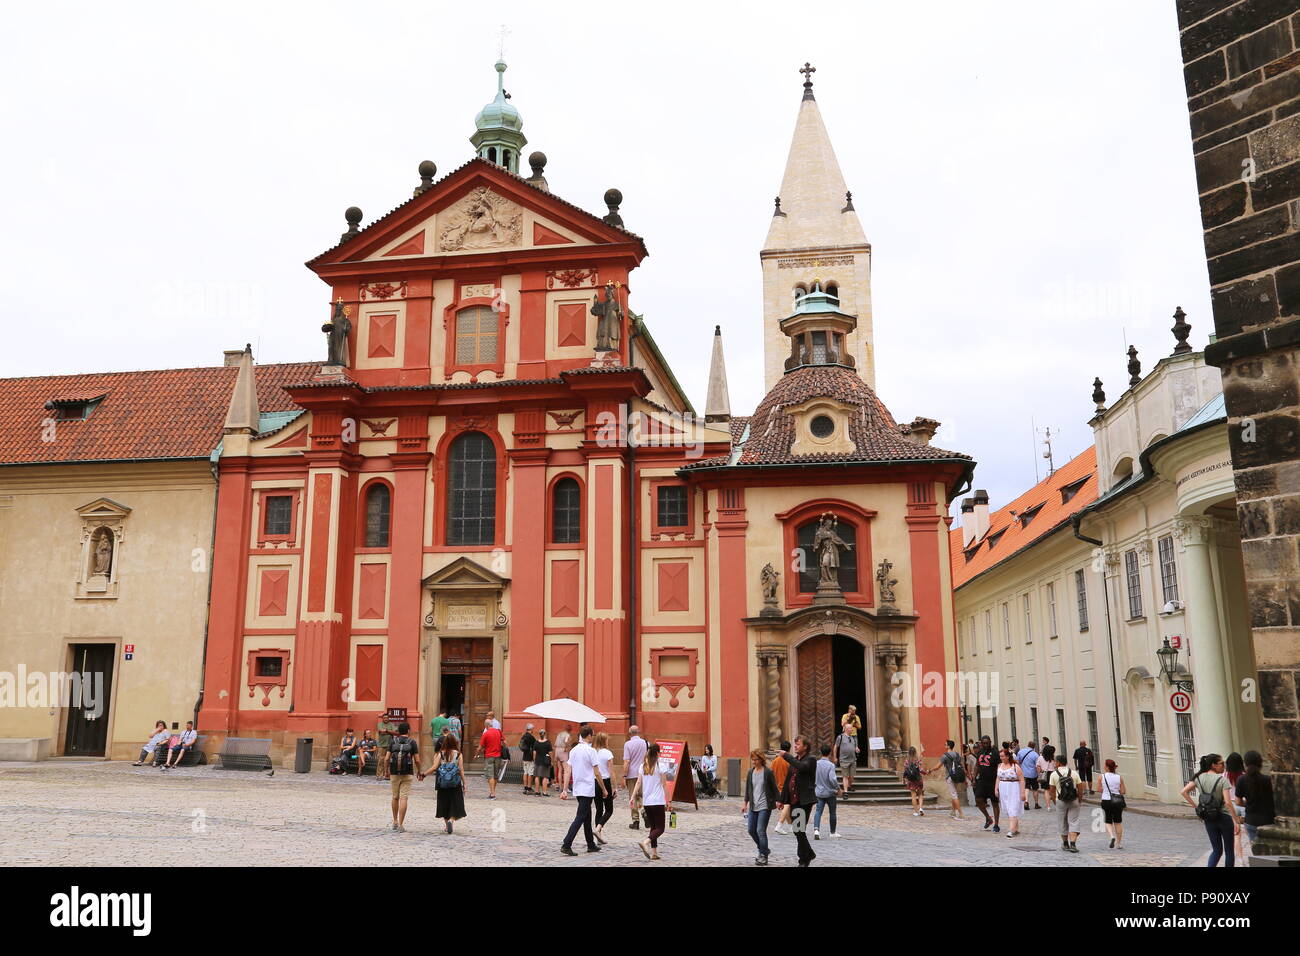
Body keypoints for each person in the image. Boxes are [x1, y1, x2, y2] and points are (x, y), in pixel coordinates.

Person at [1181, 753, 1241, 868]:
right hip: (1224, 817)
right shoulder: (1222, 780)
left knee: (1216, 850)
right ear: (1213, 765)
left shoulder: (1199, 778)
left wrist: (1196, 806)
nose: (1224, 766)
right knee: (1229, 851)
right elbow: (1228, 803)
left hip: (1209, 817)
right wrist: (1236, 820)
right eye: (1221, 764)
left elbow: (1183, 792)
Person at [560, 726, 605, 856]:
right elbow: (597, 772)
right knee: (580, 817)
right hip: (587, 787)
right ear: (589, 736)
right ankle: (566, 843)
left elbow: (568, 770)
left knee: (586, 816)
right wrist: (603, 788)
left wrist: (564, 789)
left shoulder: (574, 750)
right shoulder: (591, 751)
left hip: (578, 787)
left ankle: (590, 844)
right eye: (593, 735)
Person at [778, 736, 819, 866]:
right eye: (794, 744)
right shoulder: (795, 760)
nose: (795, 746)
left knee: (799, 829)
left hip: (804, 801)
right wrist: (782, 800)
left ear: (805, 747)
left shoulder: (810, 760)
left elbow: (802, 767)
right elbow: (788, 782)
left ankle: (803, 859)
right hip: (794, 800)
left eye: (798, 744)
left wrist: (786, 756)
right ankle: (809, 854)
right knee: (798, 830)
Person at [631, 743, 673, 861]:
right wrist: (668, 801)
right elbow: (664, 785)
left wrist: (632, 797)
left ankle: (654, 853)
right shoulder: (661, 766)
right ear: (658, 753)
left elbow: (638, 783)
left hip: (647, 802)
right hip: (658, 801)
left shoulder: (643, 766)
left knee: (653, 827)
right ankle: (646, 842)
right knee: (660, 828)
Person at [420, 731, 465, 833]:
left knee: (444, 803)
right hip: (455, 783)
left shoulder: (441, 754)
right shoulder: (458, 754)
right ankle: (451, 820)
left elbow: (434, 767)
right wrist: (464, 783)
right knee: (457, 804)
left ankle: (446, 825)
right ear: (455, 742)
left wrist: (424, 774)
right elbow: (461, 770)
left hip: (443, 783)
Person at [1233, 750, 1275, 853]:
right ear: (1260, 763)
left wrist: (1248, 804)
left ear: (1246, 763)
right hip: (1268, 819)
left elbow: (1238, 802)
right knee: (1270, 852)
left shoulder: (1241, 780)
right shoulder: (1267, 779)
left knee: (1256, 851)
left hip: (1251, 819)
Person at [742, 749, 777, 865]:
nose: (753, 762)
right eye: (752, 759)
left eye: (755, 759)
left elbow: (774, 789)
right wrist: (745, 804)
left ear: (761, 760)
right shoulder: (750, 772)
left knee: (760, 830)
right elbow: (748, 789)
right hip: (753, 805)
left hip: (764, 806)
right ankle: (764, 849)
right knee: (751, 830)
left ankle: (763, 855)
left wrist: (780, 801)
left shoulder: (767, 772)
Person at [387, 722, 421, 833]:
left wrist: (387, 770)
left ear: (399, 731)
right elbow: (417, 760)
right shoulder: (412, 742)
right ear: (408, 731)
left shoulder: (393, 741)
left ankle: (395, 821)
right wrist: (419, 771)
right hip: (407, 773)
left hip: (394, 773)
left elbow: (386, 758)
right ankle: (401, 824)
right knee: (404, 798)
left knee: (395, 797)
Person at [1047, 753, 1081, 852]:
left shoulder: (1054, 774)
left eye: (1055, 762)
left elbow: (1052, 791)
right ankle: (1073, 844)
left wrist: (1055, 801)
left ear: (1058, 763)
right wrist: (1079, 799)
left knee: (1062, 822)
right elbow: (1080, 787)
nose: (1054, 763)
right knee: (1074, 821)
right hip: (1073, 800)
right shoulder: (1074, 773)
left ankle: (1065, 844)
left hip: (1060, 800)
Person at [813, 744, 843, 839]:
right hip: (830, 792)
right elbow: (832, 779)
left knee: (818, 811)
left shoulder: (816, 764)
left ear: (821, 752)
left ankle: (816, 830)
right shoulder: (831, 765)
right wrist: (838, 788)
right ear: (830, 753)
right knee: (832, 812)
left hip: (819, 792)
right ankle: (832, 832)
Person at [592, 731, 616, 844]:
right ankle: (598, 829)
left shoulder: (594, 752)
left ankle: (599, 836)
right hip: (605, 781)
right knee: (609, 809)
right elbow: (611, 771)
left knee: (599, 809)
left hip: (595, 781)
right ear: (604, 741)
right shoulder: (607, 753)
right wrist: (614, 787)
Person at [996, 748, 1026, 838]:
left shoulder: (1015, 766)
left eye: (1003, 756)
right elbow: (998, 777)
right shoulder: (1000, 766)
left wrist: (1022, 792)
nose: (1001, 758)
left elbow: (1021, 779)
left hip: (1013, 788)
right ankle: (1015, 828)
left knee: (1013, 807)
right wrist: (996, 788)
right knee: (1009, 809)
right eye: (1000, 756)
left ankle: (1011, 830)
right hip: (1003, 788)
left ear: (1008, 756)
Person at [973, 737, 1001, 832]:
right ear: (981, 743)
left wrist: (999, 780)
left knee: (994, 803)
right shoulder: (980, 752)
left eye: (987, 743)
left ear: (990, 742)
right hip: (982, 781)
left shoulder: (995, 753)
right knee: (978, 800)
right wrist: (973, 778)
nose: (985, 745)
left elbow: (999, 767)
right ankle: (988, 818)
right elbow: (977, 765)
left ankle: (996, 824)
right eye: (984, 743)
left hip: (993, 782)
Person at [1098, 759, 1126, 849]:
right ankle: (1119, 843)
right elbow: (1123, 791)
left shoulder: (1101, 777)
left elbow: (1099, 789)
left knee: (1108, 820)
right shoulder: (1119, 777)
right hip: (1117, 801)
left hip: (1106, 800)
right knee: (1118, 822)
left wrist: (1106, 790)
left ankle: (1111, 836)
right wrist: (1115, 790)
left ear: (1106, 767)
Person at [474, 717, 503, 799]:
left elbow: (480, 747)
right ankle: (492, 791)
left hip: (489, 756)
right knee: (495, 775)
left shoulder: (485, 734)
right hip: (498, 756)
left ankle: (493, 794)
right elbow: (504, 742)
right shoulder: (498, 731)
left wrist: (476, 754)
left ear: (486, 726)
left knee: (490, 776)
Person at [939, 739, 966, 820]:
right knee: (954, 793)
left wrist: (930, 770)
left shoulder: (945, 755)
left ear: (948, 746)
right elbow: (962, 765)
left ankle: (960, 814)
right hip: (957, 776)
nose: (944, 745)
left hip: (950, 776)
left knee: (954, 795)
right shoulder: (957, 754)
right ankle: (953, 812)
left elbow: (938, 766)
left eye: (945, 744)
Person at [772, 740, 794, 833]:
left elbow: (771, 774)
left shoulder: (775, 761)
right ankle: (779, 825)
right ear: (789, 749)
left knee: (787, 807)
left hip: (777, 787)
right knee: (787, 805)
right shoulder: (789, 761)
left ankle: (791, 827)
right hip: (786, 787)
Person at [901, 746, 926, 816]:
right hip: (918, 779)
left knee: (913, 796)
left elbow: (905, 771)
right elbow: (921, 770)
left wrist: (904, 779)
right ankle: (920, 808)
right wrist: (926, 772)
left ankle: (916, 811)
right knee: (920, 794)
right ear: (915, 752)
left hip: (911, 780)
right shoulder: (918, 760)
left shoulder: (906, 761)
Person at [834, 722, 859, 792]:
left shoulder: (853, 738)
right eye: (851, 728)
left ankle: (848, 786)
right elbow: (835, 747)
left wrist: (856, 749)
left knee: (852, 777)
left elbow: (854, 747)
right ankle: (845, 791)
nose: (852, 730)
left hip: (853, 759)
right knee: (845, 776)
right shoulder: (840, 737)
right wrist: (835, 757)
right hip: (844, 760)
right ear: (846, 729)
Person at [1016, 740, 1040, 810]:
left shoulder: (1021, 751)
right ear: (1034, 746)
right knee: (1035, 789)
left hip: (1024, 773)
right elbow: (1037, 765)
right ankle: (1036, 804)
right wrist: (1039, 774)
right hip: (1033, 774)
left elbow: (1017, 762)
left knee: (1026, 788)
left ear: (1028, 744)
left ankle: (1026, 802)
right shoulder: (1035, 754)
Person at [532, 729, 554, 796]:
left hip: (537, 761)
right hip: (545, 761)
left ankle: (537, 791)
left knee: (537, 776)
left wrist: (534, 760)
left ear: (539, 734)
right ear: (545, 734)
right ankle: (544, 792)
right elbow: (550, 753)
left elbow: (534, 753)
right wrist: (552, 760)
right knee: (545, 777)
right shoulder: (548, 743)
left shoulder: (536, 742)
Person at [519, 723, 537, 794]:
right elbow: (535, 746)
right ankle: (529, 788)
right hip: (530, 757)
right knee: (530, 773)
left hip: (525, 757)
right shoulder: (531, 737)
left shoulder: (524, 736)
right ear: (531, 729)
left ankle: (525, 787)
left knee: (525, 772)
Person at [1037, 745, 1056, 811]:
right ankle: (1056, 804)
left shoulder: (1040, 758)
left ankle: (1048, 806)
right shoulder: (1053, 758)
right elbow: (1056, 767)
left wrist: (1039, 773)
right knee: (1054, 790)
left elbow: (1038, 767)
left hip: (1044, 774)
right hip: (1053, 774)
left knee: (1046, 791)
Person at [555, 725, 572, 797]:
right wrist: (567, 747)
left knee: (559, 770)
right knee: (566, 770)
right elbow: (566, 742)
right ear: (570, 730)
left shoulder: (559, 734)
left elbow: (555, 743)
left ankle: (560, 786)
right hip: (563, 751)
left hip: (557, 750)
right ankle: (565, 788)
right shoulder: (567, 735)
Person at [963, 743, 979, 808]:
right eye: (975, 748)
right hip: (973, 774)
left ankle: (982, 801)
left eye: (977, 748)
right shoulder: (970, 756)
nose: (976, 750)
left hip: (980, 774)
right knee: (975, 788)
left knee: (981, 787)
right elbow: (968, 766)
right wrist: (969, 774)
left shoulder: (980, 755)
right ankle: (977, 801)